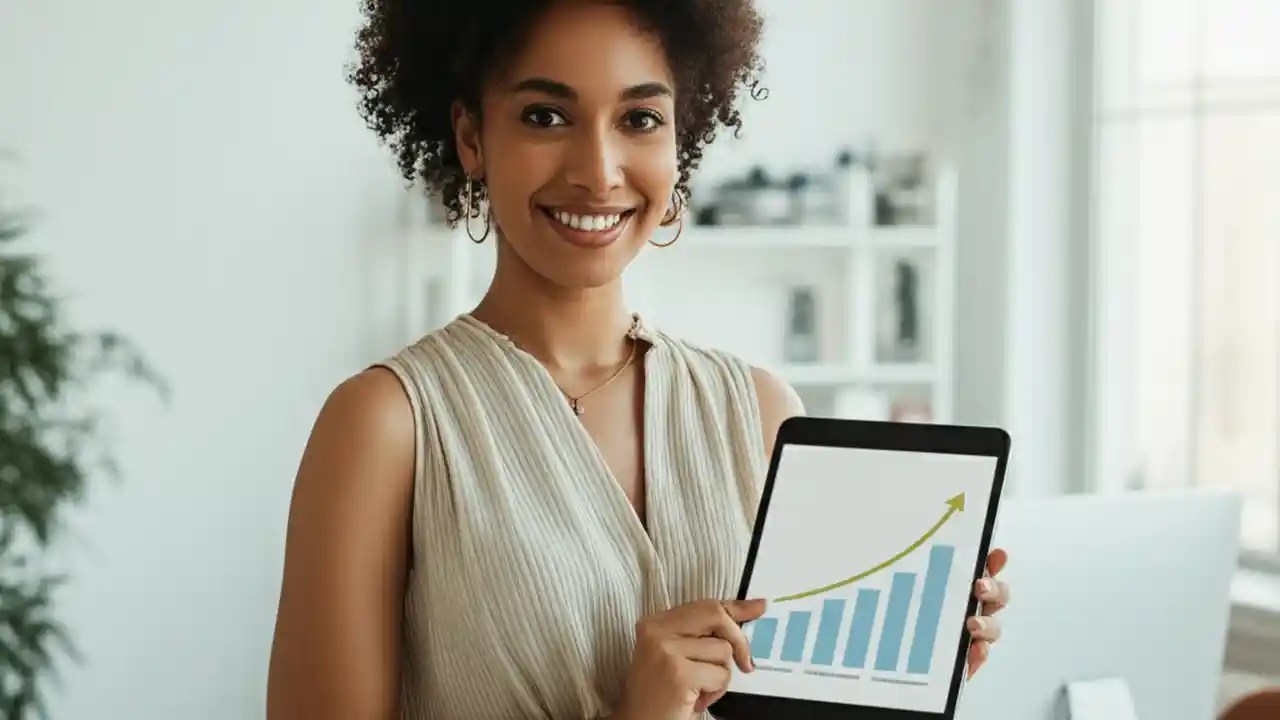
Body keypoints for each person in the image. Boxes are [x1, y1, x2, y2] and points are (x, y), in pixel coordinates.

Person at [265, 1, 1012, 719]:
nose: (598, 170)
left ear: (677, 139)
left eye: (640, 119)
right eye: (545, 116)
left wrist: (899, 676)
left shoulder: (758, 411)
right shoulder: (386, 427)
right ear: (470, 137)